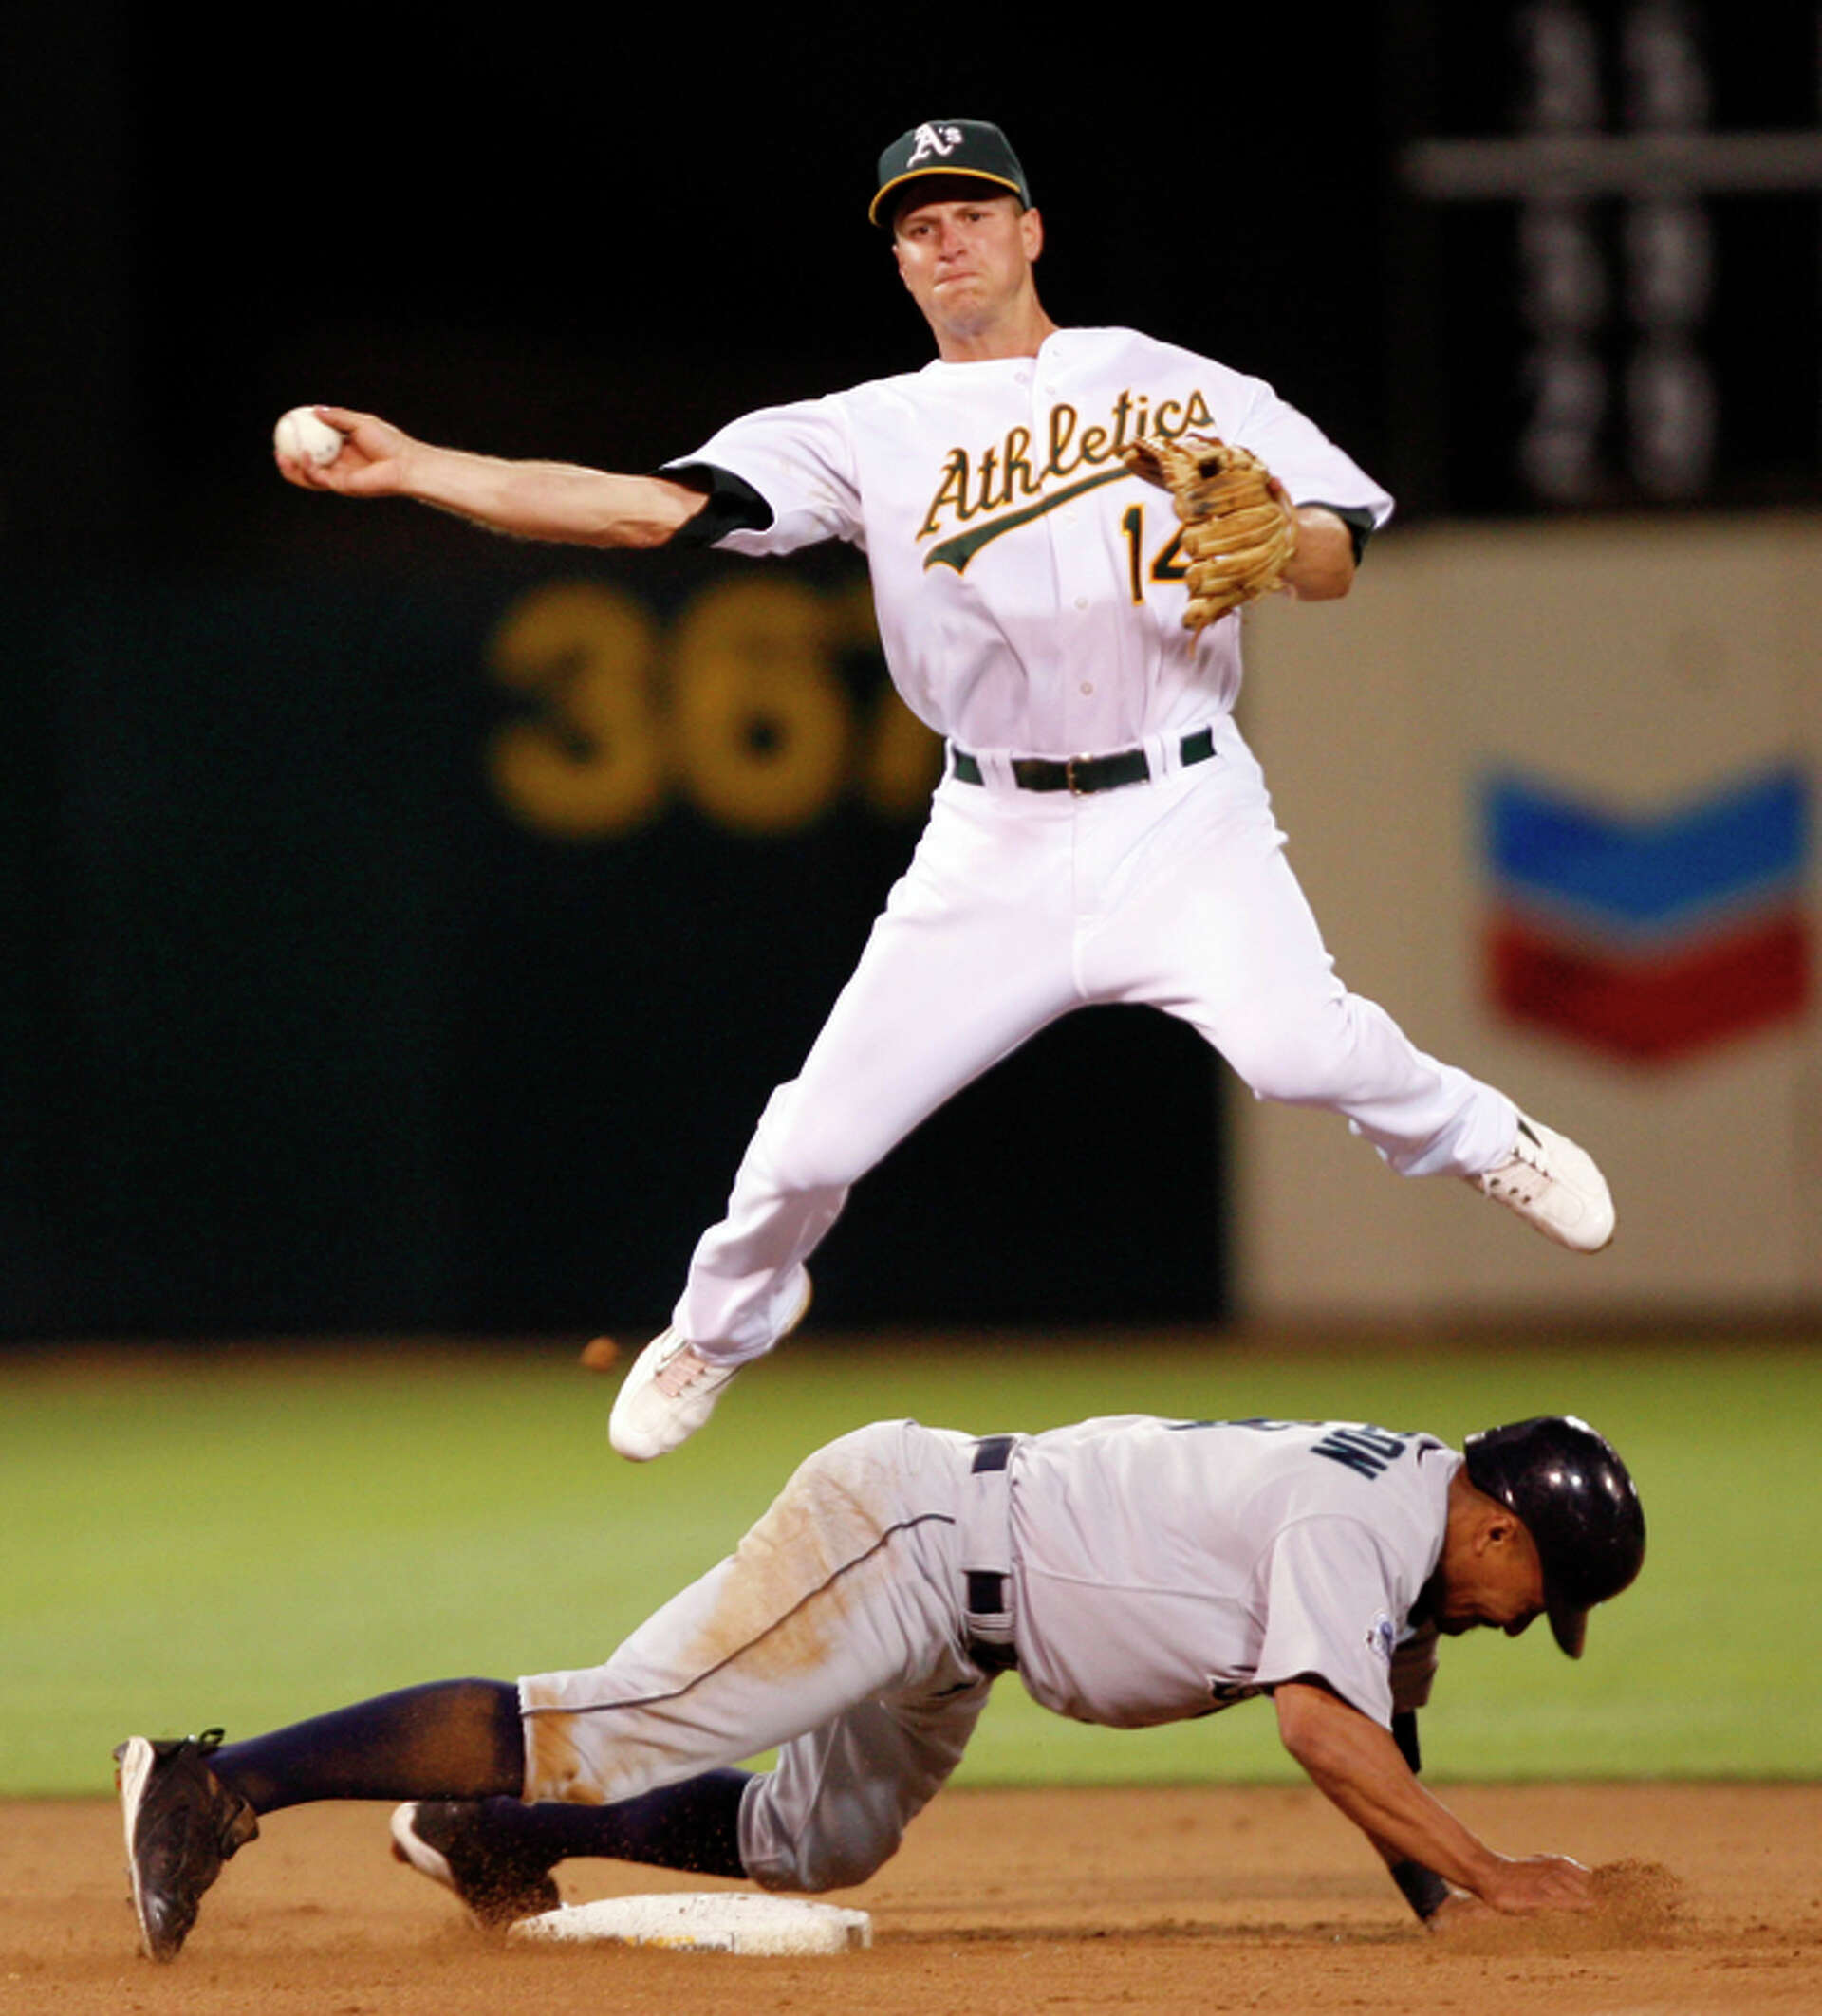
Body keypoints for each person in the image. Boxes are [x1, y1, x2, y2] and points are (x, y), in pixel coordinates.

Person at [275, 120, 1617, 1464]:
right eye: (919, 226)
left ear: (1031, 231)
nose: (948, 239)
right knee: (811, 1145)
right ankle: (720, 1324)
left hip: (1181, 808)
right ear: (903, 266)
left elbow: (1334, 556)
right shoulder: (870, 428)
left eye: (973, 211)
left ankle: (1476, 1129)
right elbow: (640, 510)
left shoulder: (1170, 382)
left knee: (1302, 1051)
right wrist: (414, 466)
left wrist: (1279, 538)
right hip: (996, 835)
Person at [115, 1409, 1645, 1960]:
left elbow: (1385, 1713)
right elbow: (1323, 1725)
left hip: (963, 1618)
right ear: (1500, 1523)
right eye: (1542, 1591)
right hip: (907, 1540)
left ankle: (496, 1840)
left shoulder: (1410, 1532)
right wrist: (1493, 1873)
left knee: (816, 1844)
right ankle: (210, 1781)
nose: (1529, 1618)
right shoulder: (1367, 1518)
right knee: (603, 1724)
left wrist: (1447, 1905)